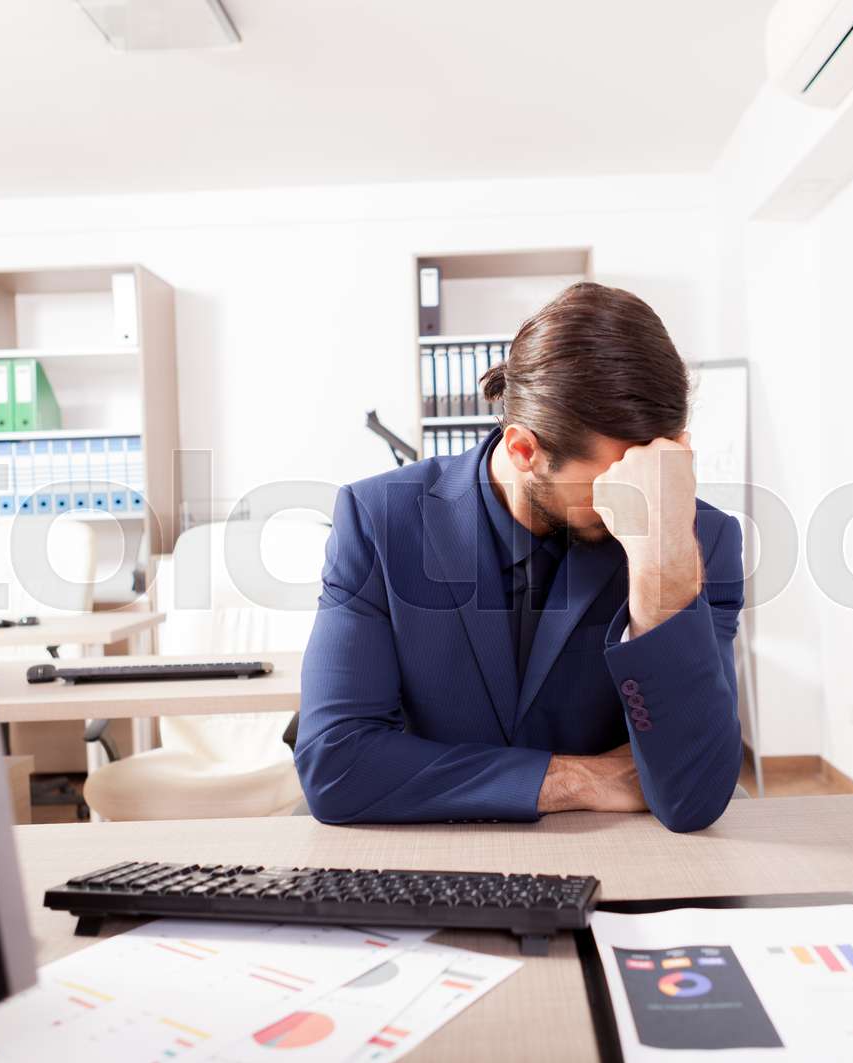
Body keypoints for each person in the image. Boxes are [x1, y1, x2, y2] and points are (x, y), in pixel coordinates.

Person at [295, 282, 743, 832]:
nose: (641, 498)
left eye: (655, 469)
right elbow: (337, 767)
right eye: (614, 481)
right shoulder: (379, 519)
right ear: (523, 450)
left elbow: (694, 797)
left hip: (623, 867)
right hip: (428, 859)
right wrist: (580, 779)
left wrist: (660, 567)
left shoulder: (702, 541)